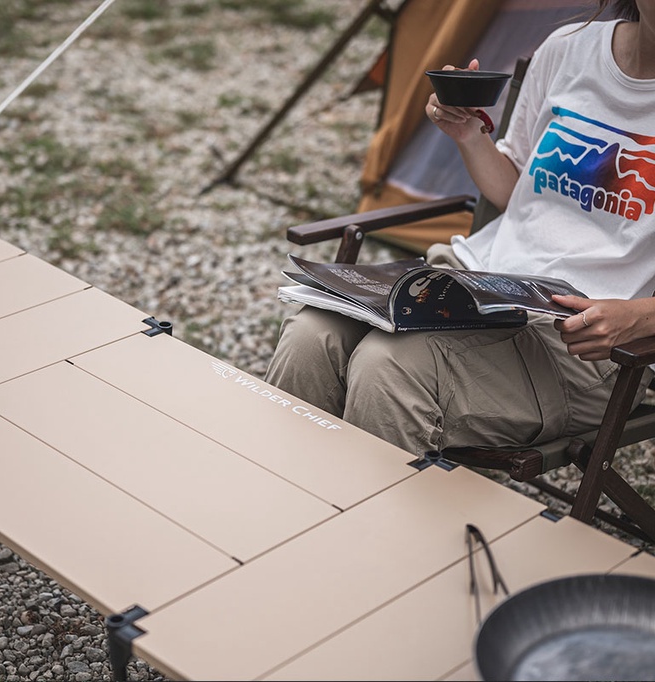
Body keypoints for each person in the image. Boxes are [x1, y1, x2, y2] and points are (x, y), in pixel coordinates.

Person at [264, 0, 655, 456]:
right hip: (482, 286)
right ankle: (281, 507)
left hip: (580, 343)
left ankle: (369, 523)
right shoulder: (570, 50)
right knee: (313, 333)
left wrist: (638, 317)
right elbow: (516, 191)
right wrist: (470, 135)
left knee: (387, 364)